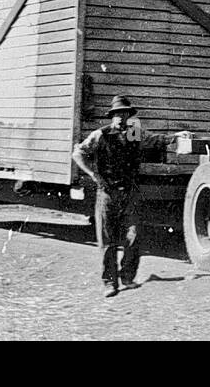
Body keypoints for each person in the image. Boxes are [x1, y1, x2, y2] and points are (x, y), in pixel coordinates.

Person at [72, 96, 185, 298]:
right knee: (107, 241)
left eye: (125, 114)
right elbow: (78, 153)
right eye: (117, 114)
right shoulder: (101, 135)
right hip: (107, 193)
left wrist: (176, 136)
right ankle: (109, 283)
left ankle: (127, 277)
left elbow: (156, 140)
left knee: (134, 235)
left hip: (130, 192)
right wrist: (92, 174)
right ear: (112, 116)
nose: (121, 118)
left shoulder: (134, 133)